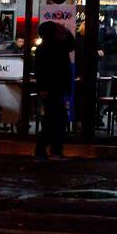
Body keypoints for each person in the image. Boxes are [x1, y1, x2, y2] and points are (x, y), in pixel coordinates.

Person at [34, 22, 72, 161]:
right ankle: (50, 150)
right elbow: (42, 71)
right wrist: (65, 30)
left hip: (53, 89)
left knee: (54, 120)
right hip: (53, 89)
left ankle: (47, 150)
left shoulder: (45, 47)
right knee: (56, 120)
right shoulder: (54, 47)